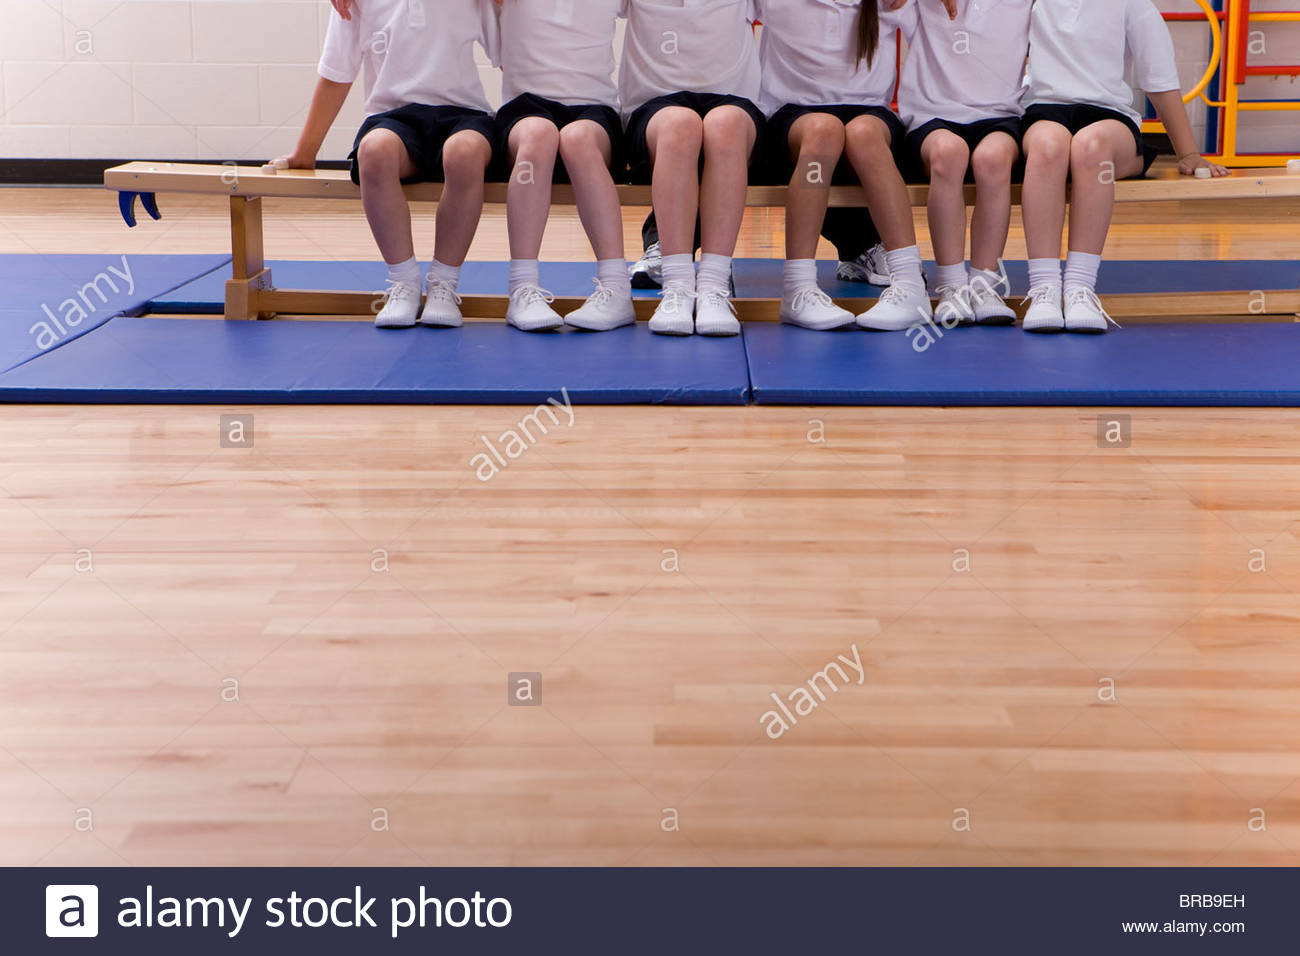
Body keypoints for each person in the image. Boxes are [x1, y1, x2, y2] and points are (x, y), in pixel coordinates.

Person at [279, 0, 499, 329]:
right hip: (395, 119)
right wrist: (304, 154)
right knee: (374, 151)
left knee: (464, 153)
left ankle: (444, 284)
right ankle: (404, 281)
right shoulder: (354, 4)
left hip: (463, 116)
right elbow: (336, 73)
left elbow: (509, 51)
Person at [1019, 0, 1229, 333]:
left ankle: (1079, 288)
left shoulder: (1131, 3)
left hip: (1108, 118)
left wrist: (1188, 152)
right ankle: (1044, 288)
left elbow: (1158, 78)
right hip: (1045, 113)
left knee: (1091, 147)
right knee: (1048, 147)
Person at [756, 0, 927, 332]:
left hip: (868, 116)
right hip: (798, 124)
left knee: (863, 135)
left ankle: (909, 283)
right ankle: (799, 286)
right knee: (824, 132)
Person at [621, 0, 764, 336]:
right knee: (680, 125)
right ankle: (678, 286)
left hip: (732, 105)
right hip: (656, 110)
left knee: (724, 125)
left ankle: (713, 286)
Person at [493, 0, 634, 332]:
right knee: (538, 134)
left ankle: (616, 287)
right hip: (524, 109)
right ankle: (522, 287)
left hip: (593, 111)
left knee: (578, 139)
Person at [897, 0, 1032, 326]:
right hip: (932, 114)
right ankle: (952, 284)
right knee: (948, 153)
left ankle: (984, 284)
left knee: (994, 158)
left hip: (1000, 115)